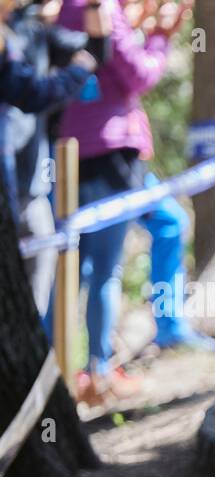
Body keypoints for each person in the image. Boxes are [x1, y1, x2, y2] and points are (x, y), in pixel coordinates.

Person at [56, 0, 215, 406]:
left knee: (167, 223)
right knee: (97, 269)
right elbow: (138, 75)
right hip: (108, 153)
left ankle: (162, 328)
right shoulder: (98, 7)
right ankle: (92, 370)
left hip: (89, 151)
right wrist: (161, 38)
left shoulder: (72, 9)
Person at [1, 0, 103, 315]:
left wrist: (96, 6)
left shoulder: (33, 31)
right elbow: (33, 92)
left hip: (28, 184)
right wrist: (78, 70)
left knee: (41, 255)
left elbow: (98, 50)